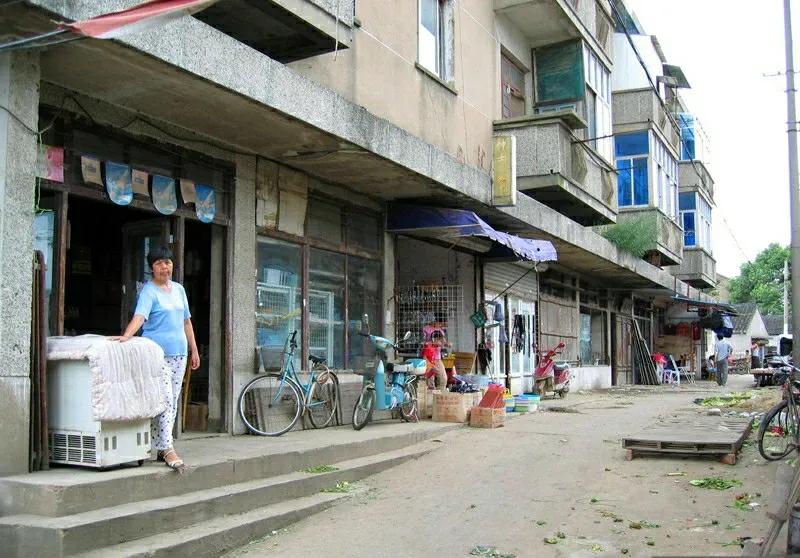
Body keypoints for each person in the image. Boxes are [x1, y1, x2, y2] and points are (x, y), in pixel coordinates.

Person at [112, 245, 200, 470]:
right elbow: (140, 317)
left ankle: (160, 445)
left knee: (172, 401)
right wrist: (126, 337)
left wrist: (194, 350)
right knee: (166, 400)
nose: (164, 266)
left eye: (168, 262)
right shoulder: (149, 291)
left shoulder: (179, 289)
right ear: (152, 268)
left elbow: (186, 322)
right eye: (159, 263)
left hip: (179, 355)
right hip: (157, 355)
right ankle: (168, 448)